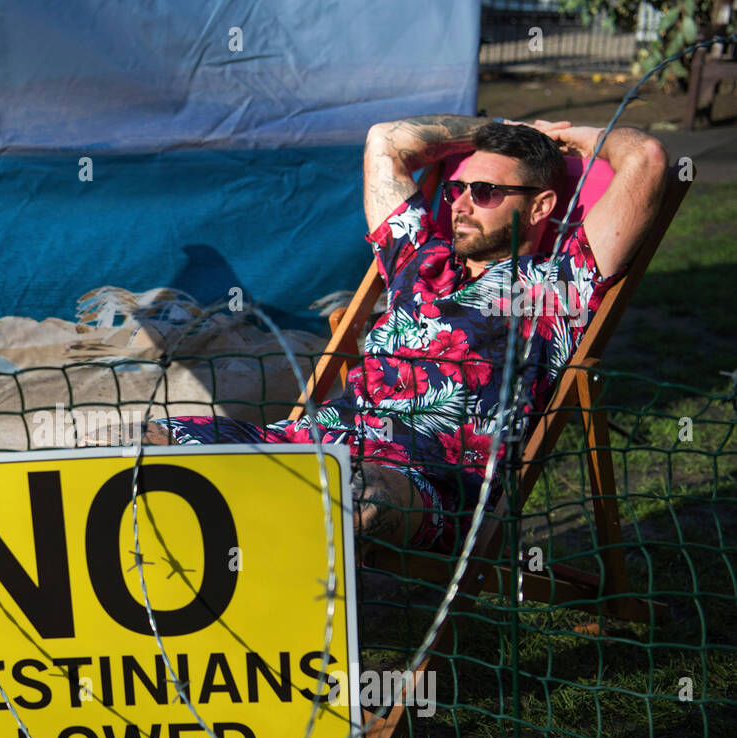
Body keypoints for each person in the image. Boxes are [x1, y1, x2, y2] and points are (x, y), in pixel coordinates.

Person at [146, 116, 667, 553]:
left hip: (427, 482)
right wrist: (497, 129)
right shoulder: (420, 259)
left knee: (354, 498)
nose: (459, 204)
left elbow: (646, 157)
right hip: (313, 440)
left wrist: (574, 138)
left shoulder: (559, 286)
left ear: (539, 208)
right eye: (458, 188)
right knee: (139, 448)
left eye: (484, 192)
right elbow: (386, 141)